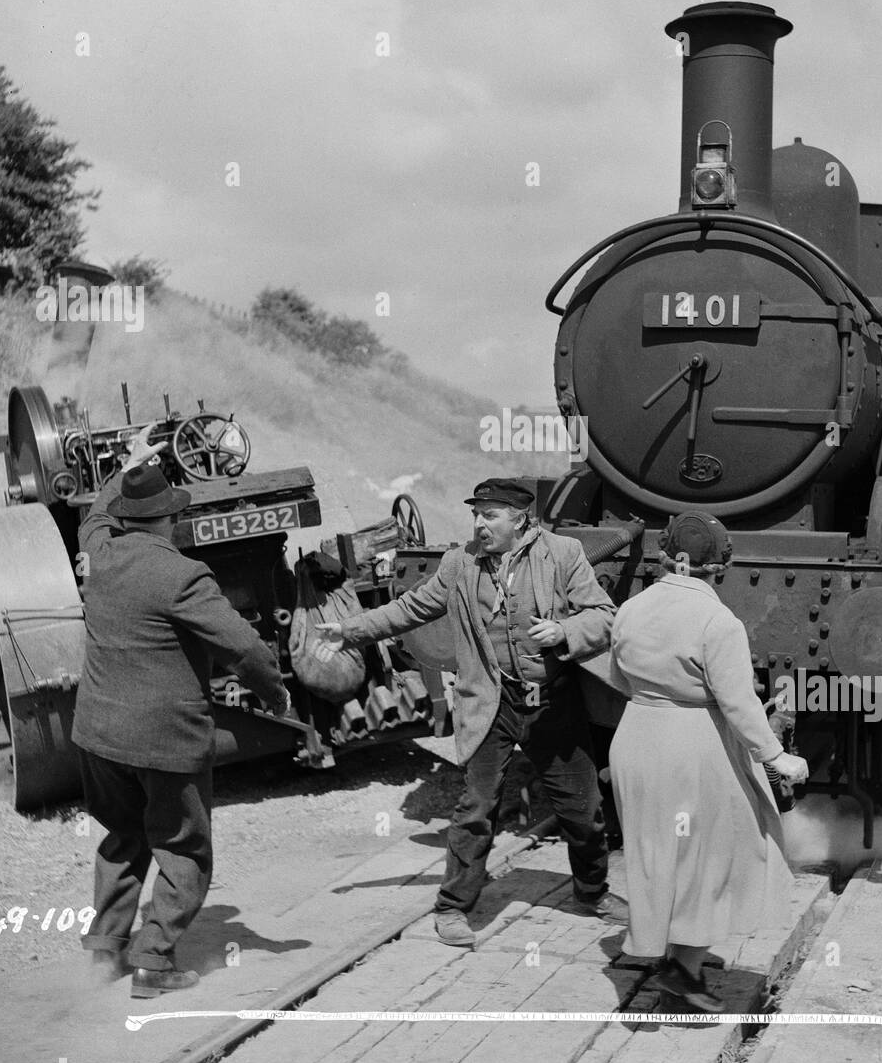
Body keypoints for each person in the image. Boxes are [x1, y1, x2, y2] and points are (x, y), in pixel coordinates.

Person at [317, 477, 623, 946]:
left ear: (520, 519)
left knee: (583, 810)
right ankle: (453, 908)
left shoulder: (562, 554)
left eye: (490, 515)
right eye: (476, 514)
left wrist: (564, 631)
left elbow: (603, 614)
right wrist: (352, 631)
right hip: (491, 702)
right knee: (477, 807)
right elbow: (411, 607)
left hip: (553, 703)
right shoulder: (459, 564)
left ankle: (591, 892)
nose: (479, 524)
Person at [72, 424, 290, 998]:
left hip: (97, 735)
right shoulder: (181, 573)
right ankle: (154, 962)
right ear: (167, 521)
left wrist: (126, 466)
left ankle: (105, 950)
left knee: (123, 835)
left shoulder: (97, 552)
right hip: (162, 741)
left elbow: (92, 516)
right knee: (185, 849)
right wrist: (274, 694)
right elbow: (243, 646)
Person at [605, 511, 809, 1012]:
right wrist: (778, 757)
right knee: (715, 850)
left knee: (653, 852)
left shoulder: (631, 607)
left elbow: (618, 678)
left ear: (666, 556)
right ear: (718, 567)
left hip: (634, 736)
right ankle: (684, 966)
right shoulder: (720, 622)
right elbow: (738, 702)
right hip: (692, 745)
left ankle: (661, 946)